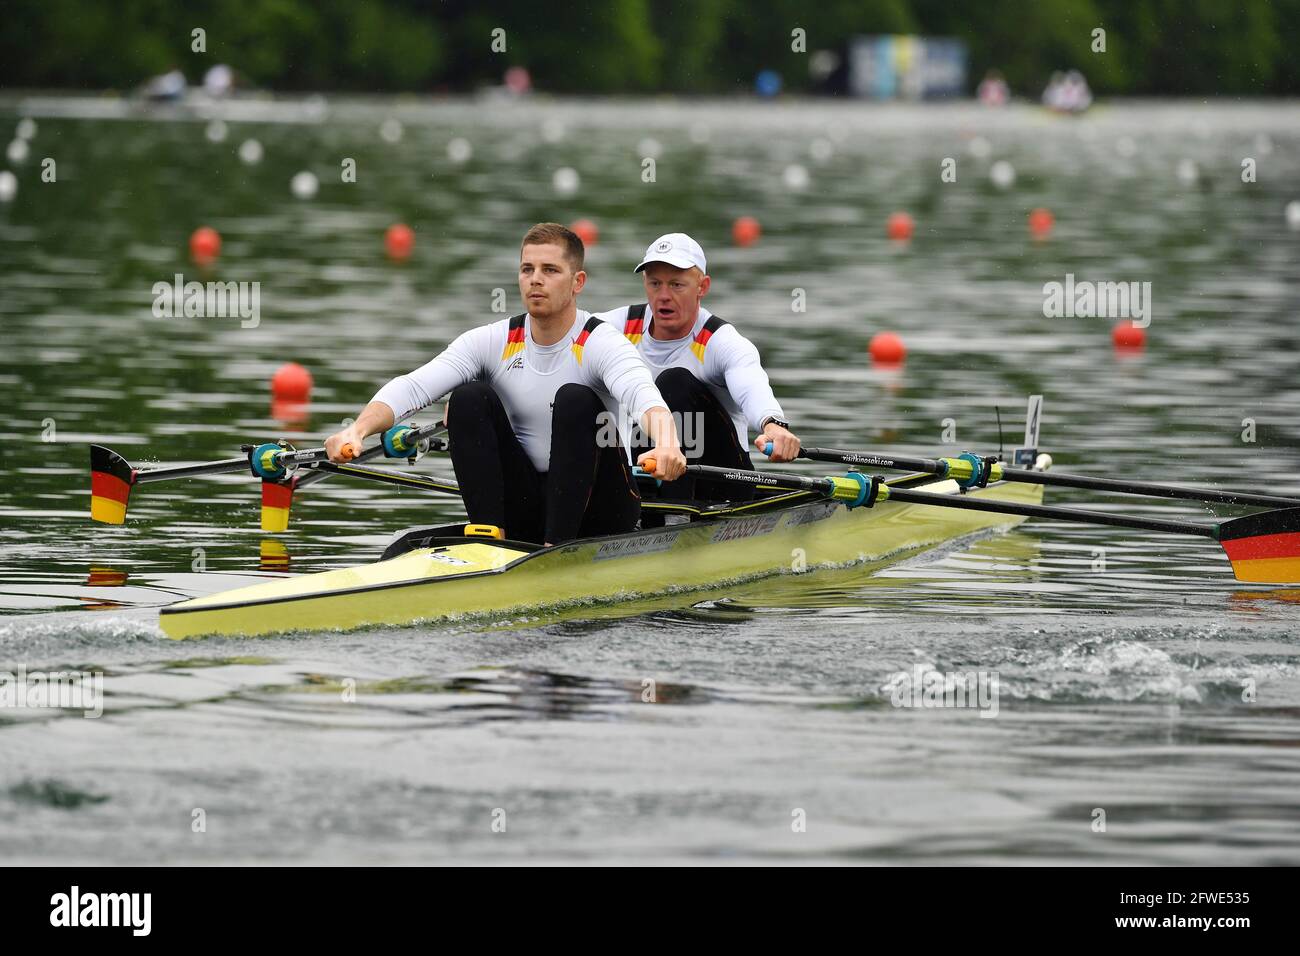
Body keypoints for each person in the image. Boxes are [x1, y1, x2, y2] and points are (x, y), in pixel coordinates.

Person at [325, 223, 686, 544]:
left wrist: (668, 443)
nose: (535, 279)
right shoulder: (492, 340)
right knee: (468, 397)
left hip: (602, 508)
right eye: (527, 269)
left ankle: (555, 548)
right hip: (526, 504)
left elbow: (644, 398)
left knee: (575, 399)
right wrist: (357, 430)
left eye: (550, 270)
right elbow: (414, 387)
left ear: (578, 282)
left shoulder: (601, 342)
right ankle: (489, 536)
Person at [594, 233, 799, 506]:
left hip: (721, 483)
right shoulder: (618, 326)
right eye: (655, 283)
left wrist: (772, 423)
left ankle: (674, 519)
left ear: (702, 287)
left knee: (674, 381)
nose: (663, 296)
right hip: (647, 471)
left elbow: (751, 385)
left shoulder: (720, 340)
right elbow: (568, 335)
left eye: (677, 285)